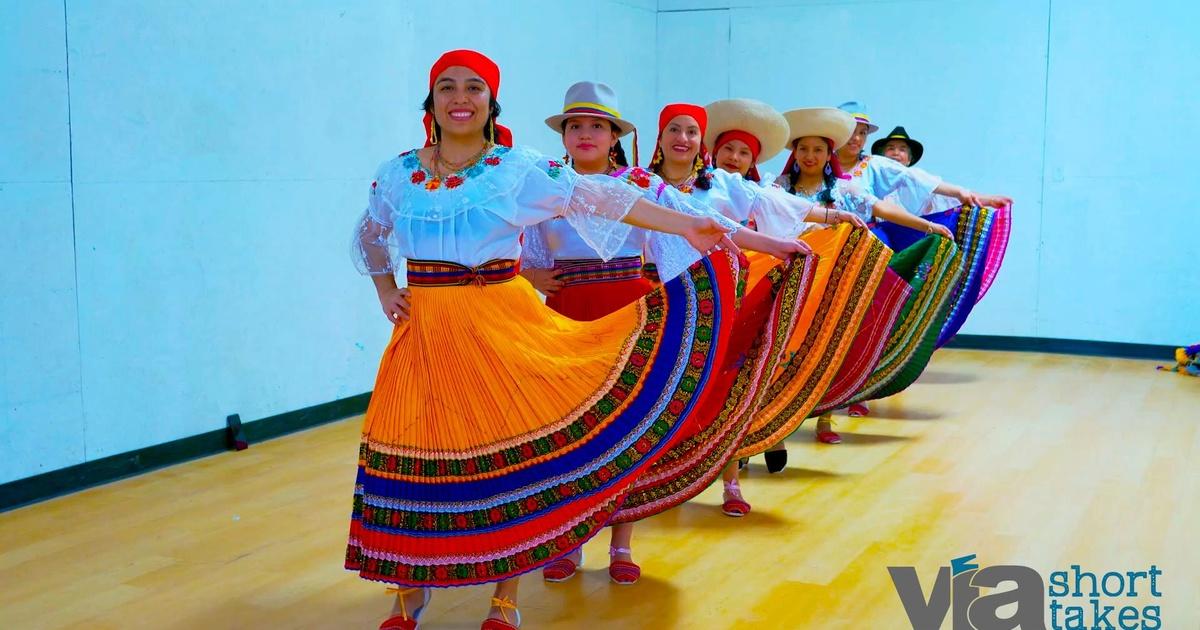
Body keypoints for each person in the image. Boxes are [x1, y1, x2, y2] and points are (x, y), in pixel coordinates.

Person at [349, 50, 802, 630]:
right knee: (413, 445)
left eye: (474, 88)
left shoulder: (516, 169)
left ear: (491, 103)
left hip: (500, 318)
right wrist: (387, 289)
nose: (460, 98)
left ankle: (504, 595)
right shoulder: (399, 171)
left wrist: (689, 224)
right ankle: (409, 589)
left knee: (508, 451)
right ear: (431, 101)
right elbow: (371, 233)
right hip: (425, 327)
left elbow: (602, 197)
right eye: (447, 87)